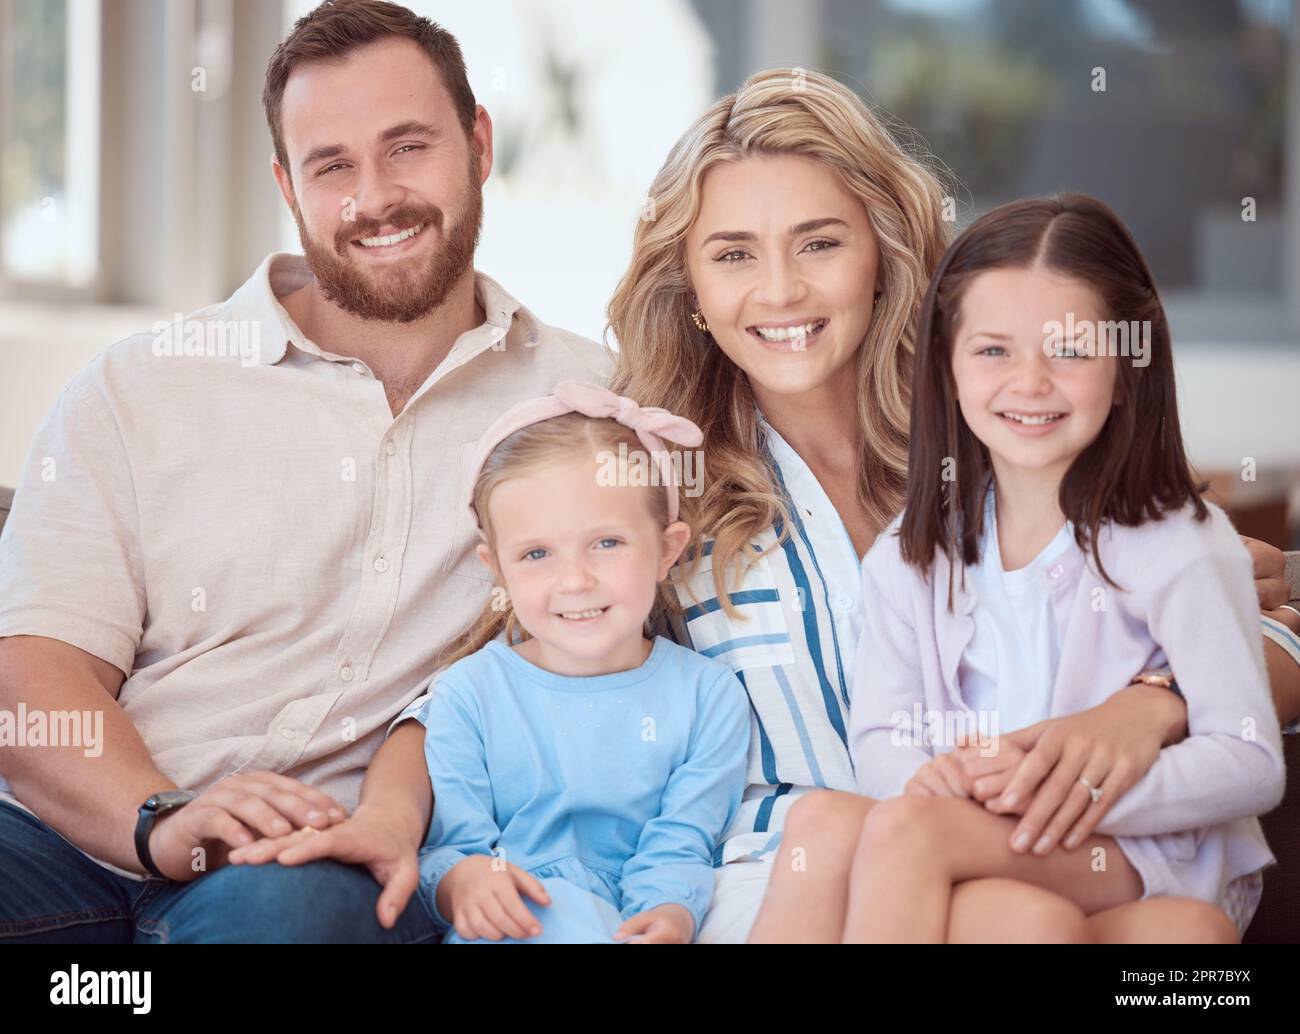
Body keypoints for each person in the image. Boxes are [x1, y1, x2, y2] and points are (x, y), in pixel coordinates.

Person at [605, 67, 1300, 943]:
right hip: (779, 886)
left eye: (819, 243)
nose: (779, 291)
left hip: (1036, 854)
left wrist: (1151, 702)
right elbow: (541, 683)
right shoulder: (648, 491)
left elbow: (1261, 614)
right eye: (734, 253)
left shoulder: (1012, 433)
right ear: (691, 290)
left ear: (883, 253)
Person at [0, 0, 608, 942]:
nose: (376, 197)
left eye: (409, 147)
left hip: (317, 872)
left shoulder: (588, 404)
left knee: (279, 919)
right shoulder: (138, 387)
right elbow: (32, 674)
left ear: (478, 143)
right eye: (333, 166)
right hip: (74, 841)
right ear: (288, 185)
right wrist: (164, 819)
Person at [756, 193, 1285, 942]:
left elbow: (1250, 761)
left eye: (1070, 350)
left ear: (1129, 364)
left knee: (912, 834)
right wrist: (931, 782)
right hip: (985, 847)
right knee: (848, 830)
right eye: (994, 350)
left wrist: (1071, 791)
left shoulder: (1180, 546)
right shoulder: (910, 558)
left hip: (1138, 851)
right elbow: (883, 733)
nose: (1030, 382)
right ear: (947, 364)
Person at [403, 380, 747, 943]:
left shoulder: (707, 696)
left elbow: (683, 841)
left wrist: (671, 910)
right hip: (510, 922)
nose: (574, 581)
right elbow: (451, 848)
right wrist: (464, 880)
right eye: (536, 554)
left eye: (607, 543)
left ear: (666, 548)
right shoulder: (469, 693)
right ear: (498, 569)